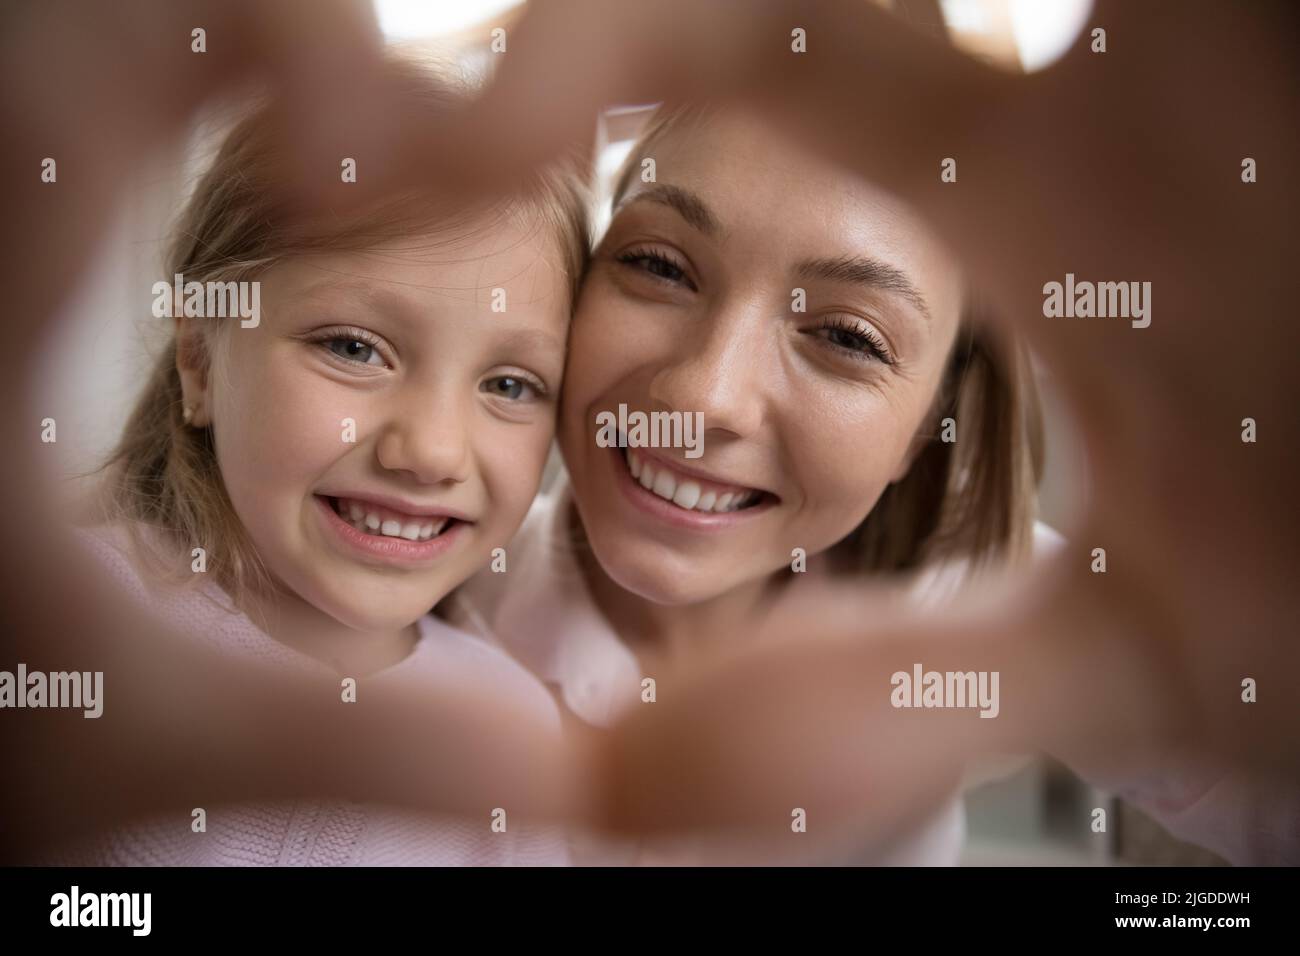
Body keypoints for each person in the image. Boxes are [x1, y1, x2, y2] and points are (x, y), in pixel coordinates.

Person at [452, 101, 1064, 864]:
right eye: (659, 266)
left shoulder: (993, 610)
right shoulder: (431, 616)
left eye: (847, 337)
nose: (702, 398)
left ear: (923, 428)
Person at [41, 52, 590, 865]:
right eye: (354, 348)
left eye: (510, 383)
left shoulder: (513, 734)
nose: (431, 451)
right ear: (199, 362)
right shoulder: (65, 628)